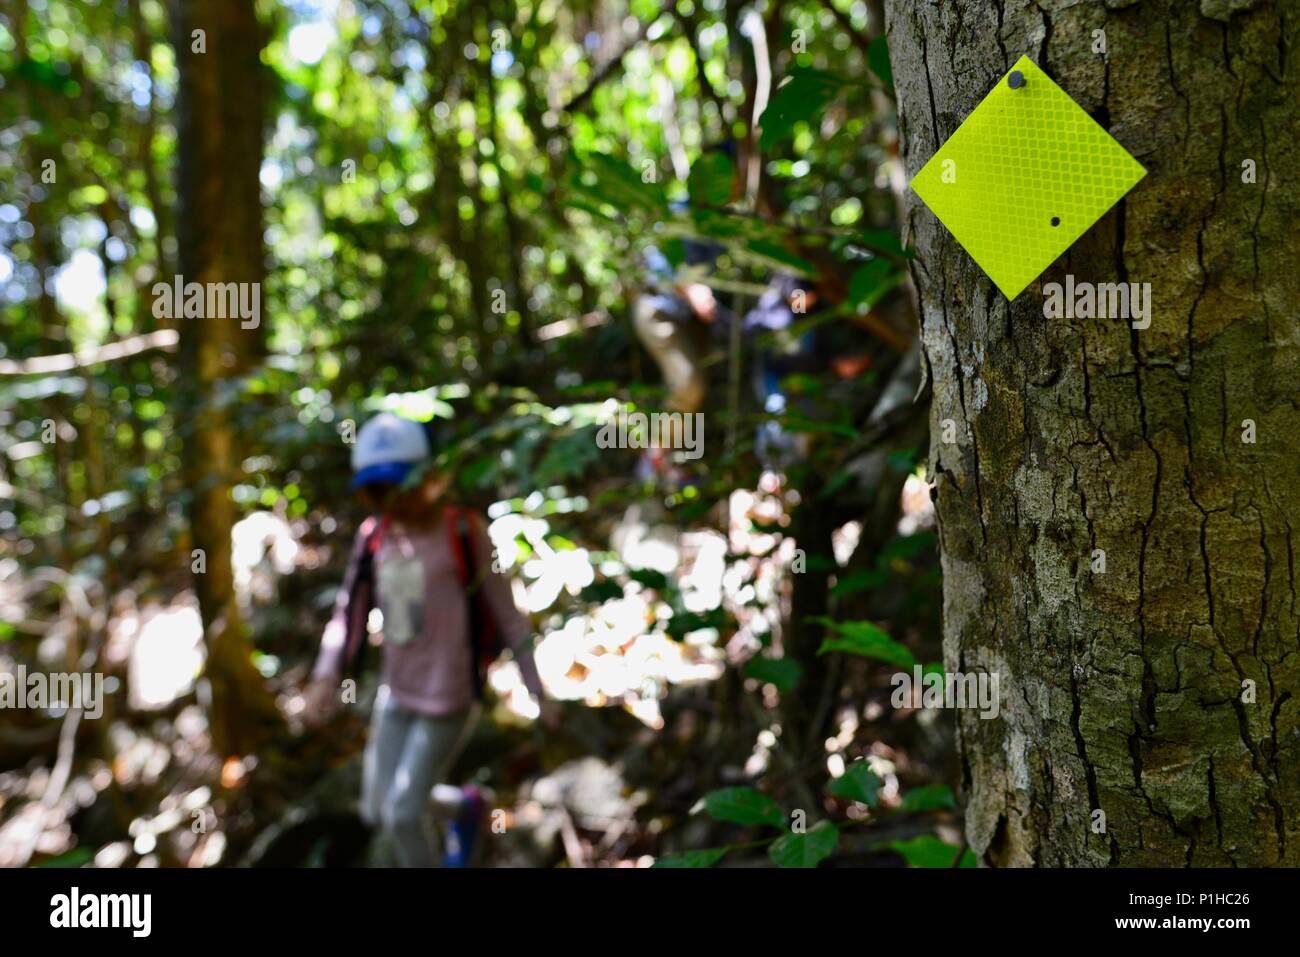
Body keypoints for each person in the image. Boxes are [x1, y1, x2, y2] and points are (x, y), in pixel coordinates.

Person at [305, 412, 555, 867]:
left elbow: (508, 617)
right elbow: (348, 611)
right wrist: (326, 676)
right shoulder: (374, 538)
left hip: (450, 697)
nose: (393, 500)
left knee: (402, 815)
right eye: (380, 490)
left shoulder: (465, 532)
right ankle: (468, 806)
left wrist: (539, 691)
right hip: (396, 692)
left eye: (401, 485)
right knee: (376, 808)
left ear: (430, 477)